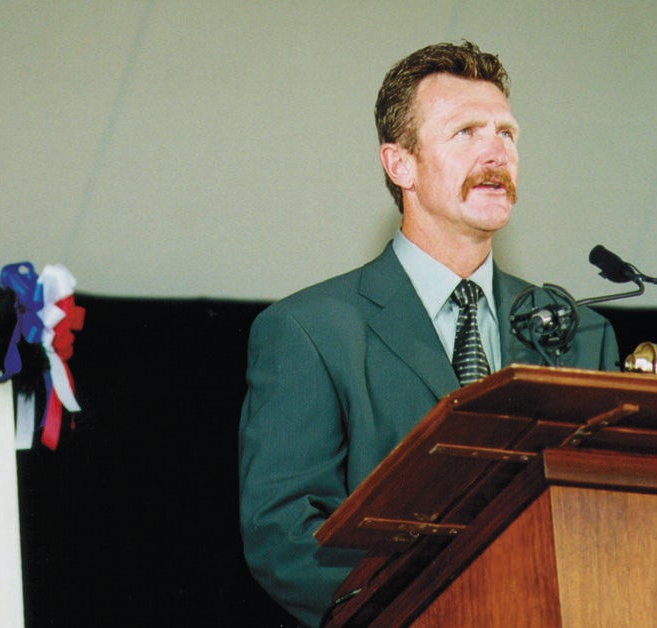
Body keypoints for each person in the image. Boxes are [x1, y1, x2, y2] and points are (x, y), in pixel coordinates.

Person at [238, 41, 618, 626]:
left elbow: (609, 513)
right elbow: (288, 537)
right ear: (401, 165)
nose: (496, 151)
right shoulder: (310, 330)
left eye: (507, 133)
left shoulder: (578, 333)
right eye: (466, 131)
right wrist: (456, 605)